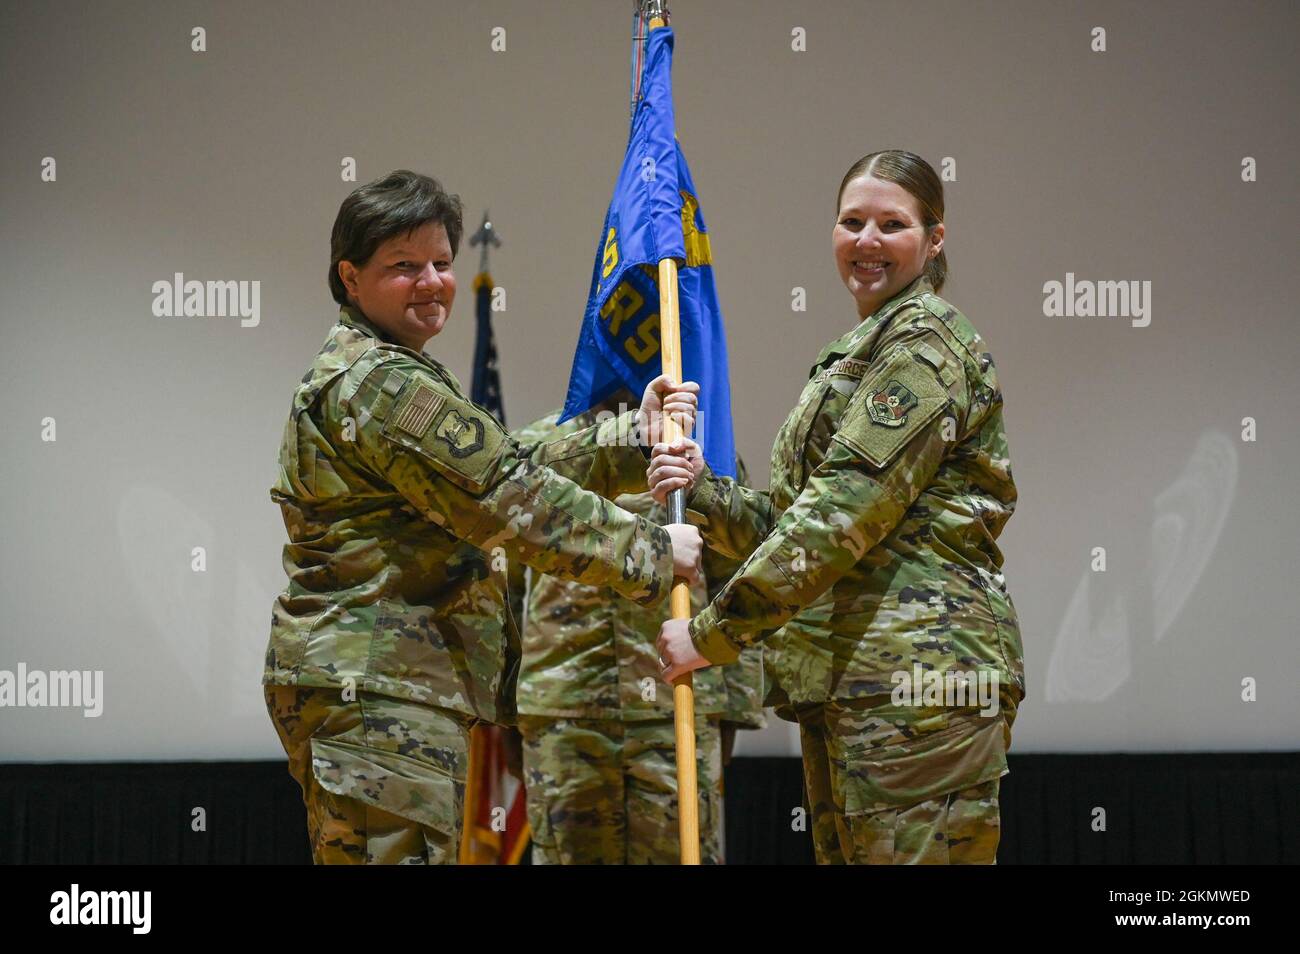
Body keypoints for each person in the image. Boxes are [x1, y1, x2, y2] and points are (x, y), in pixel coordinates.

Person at [263, 169, 704, 864]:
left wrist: (623, 436)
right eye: (403, 266)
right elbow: (505, 495)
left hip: (381, 682)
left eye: (441, 263)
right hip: (379, 685)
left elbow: (495, 460)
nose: (432, 282)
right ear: (351, 278)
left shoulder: (380, 370)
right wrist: (651, 550)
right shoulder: (380, 381)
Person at [651, 150, 1025, 865]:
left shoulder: (923, 345)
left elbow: (841, 518)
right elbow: (796, 520)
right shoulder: (860, 350)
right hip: (856, 682)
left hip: (920, 685)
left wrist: (713, 634)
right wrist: (700, 490)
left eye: (893, 224)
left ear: (935, 240)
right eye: (852, 222)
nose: (867, 241)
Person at [509, 395, 765, 864]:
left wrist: (735, 707)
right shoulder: (541, 444)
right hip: (564, 705)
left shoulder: (699, 449)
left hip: (675, 704)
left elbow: (740, 576)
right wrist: (505, 712)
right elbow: (508, 588)